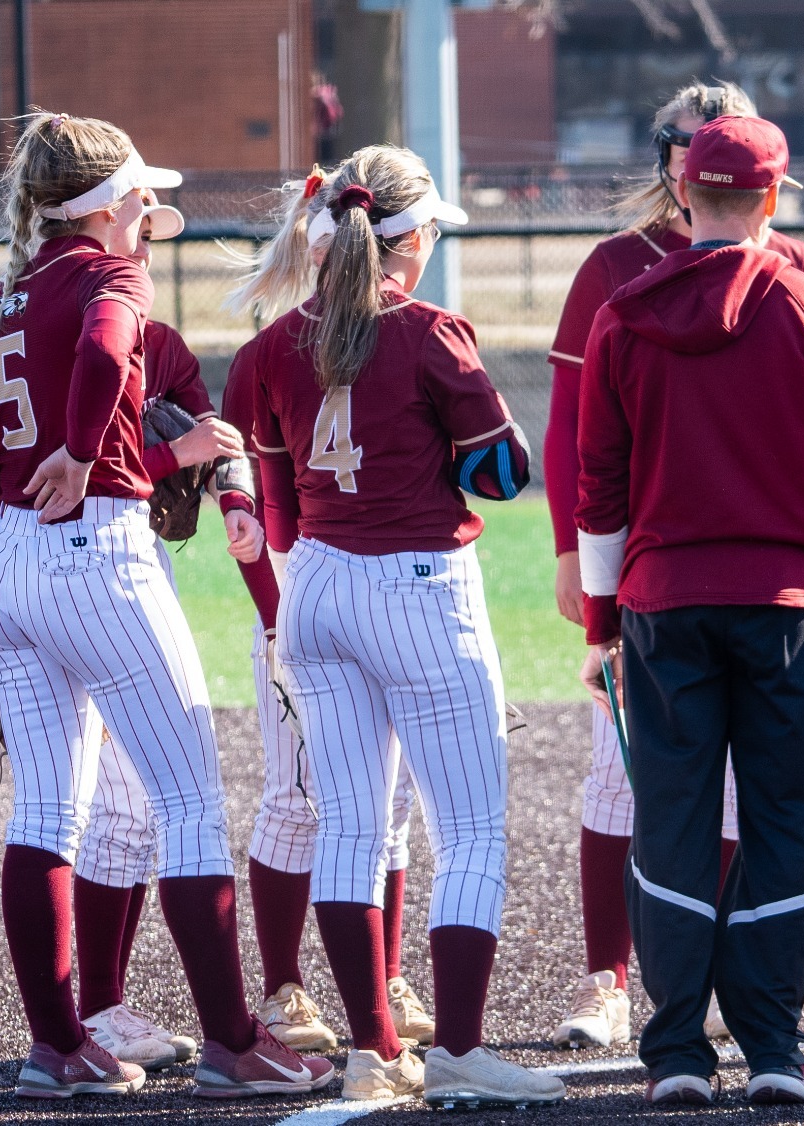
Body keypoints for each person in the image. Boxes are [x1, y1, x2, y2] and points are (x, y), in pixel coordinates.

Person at [0, 110, 334, 1101]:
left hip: (4, 555)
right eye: (137, 202)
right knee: (186, 803)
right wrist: (88, 450)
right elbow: (99, 352)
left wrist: (29, 524)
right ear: (109, 204)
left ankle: (58, 1041)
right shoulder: (106, 274)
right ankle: (230, 1040)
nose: (145, 222)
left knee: (47, 806)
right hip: (97, 554)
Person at [232, 143, 562, 1108]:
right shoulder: (428, 332)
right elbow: (503, 474)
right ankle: (456, 1045)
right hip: (418, 581)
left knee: (350, 825)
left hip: (319, 584)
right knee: (470, 832)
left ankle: (375, 1051)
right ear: (407, 239)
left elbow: (277, 488)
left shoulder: (271, 345)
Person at [575, 115, 804, 1106]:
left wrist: (599, 621)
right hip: (787, 604)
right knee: (786, 819)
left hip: (663, 605)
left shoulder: (622, 314)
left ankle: (672, 1054)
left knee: (671, 818)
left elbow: (599, 485)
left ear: (681, 196)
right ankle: (773, 1046)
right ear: (773, 198)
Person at [222, 168, 436, 1058]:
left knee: (381, 809)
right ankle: (282, 988)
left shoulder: (393, 339)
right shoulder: (280, 350)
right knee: (299, 802)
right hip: (302, 598)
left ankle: (380, 976)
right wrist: (277, 620)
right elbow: (254, 525)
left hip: (343, 598)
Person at [61, 191, 276, 1071]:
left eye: (151, 235)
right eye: (138, 227)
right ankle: (95, 1010)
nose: (145, 246)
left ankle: (96, 1010)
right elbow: (98, 471)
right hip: (87, 568)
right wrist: (167, 460)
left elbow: (217, 436)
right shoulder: (70, 338)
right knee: (117, 804)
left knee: (128, 809)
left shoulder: (162, 344)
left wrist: (231, 493)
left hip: (136, 566)